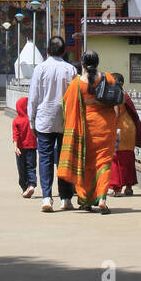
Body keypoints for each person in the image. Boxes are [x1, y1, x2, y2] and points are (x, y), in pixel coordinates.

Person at [57, 50, 120, 213]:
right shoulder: (108, 77)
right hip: (106, 127)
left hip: (86, 130)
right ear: (98, 62)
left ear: (82, 64)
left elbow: (65, 103)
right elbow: (117, 103)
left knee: (85, 164)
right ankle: (102, 198)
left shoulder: (77, 83)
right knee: (104, 163)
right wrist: (115, 124)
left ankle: (85, 199)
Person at [27, 35, 77, 213]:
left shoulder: (40, 69)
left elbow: (33, 97)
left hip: (44, 118)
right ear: (64, 52)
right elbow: (74, 96)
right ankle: (66, 197)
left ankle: (47, 196)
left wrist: (31, 120)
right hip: (65, 119)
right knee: (65, 159)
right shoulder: (70, 69)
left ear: (47, 50)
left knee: (45, 158)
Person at [109, 72, 141, 197]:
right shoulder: (125, 93)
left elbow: (116, 113)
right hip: (129, 129)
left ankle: (116, 187)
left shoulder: (115, 94)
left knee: (116, 158)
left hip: (119, 128)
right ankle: (129, 186)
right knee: (128, 157)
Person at [12, 96, 37, 198]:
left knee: (21, 168)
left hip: (20, 148)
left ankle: (24, 187)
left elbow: (15, 135)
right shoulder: (31, 119)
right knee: (31, 167)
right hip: (32, 147)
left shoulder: (16, 121)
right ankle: (31, 185)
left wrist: (15, 147)